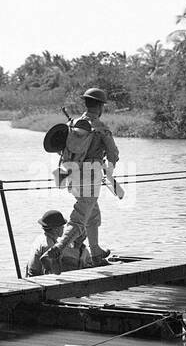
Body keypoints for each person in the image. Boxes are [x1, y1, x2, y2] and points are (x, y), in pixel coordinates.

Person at [48, 87, 120, 266]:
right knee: (80, 217)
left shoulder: (73, 124)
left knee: (92, 212)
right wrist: (109, 168)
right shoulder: (100, 128)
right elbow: (113, 154)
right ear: (101, 107)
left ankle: (95, 251)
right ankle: (58, 248)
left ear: (86, 103)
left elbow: (61, 149)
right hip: (90, 176)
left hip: (70, 175)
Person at [26, 209, 91, 275]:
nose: (64, 228)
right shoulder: (50, 246)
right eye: (62, 226)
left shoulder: (40, 239)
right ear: (56, 229)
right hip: (41, 277)